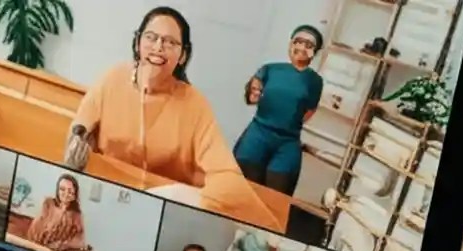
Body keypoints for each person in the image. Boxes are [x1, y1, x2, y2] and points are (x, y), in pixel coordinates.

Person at [66, 7, 275, 228]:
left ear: (183, 55)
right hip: (104, 199)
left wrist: (180, 194)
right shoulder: (112, 78)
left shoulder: (194, 103)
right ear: (138, 43)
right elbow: (79, 129)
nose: (158, 47)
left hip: (161, 214)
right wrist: (75, 153)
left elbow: (224, 173)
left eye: (170, 42)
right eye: (151, 37)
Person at [233, 25, 326, 196]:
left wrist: (288, 122)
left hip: (288, 141)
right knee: (242, 187)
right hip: (258, 134)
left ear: (315, 51)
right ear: (290, 44)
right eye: (298, 42)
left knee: (277, 193)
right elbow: (251, 96)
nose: (302, 48)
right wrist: (253, 92)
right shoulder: (270, 69)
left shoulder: (315, 81)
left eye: (308, 45)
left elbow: (310, 110)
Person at [24, 174, 94, 251]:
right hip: (38, 246)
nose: (66, 194)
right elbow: (37, 227)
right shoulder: (48, 203)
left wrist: (64, 245)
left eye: (70, 191)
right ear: (57, 190)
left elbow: (79, 240)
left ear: (75, 195)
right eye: (62, 189)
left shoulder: (77, 214)